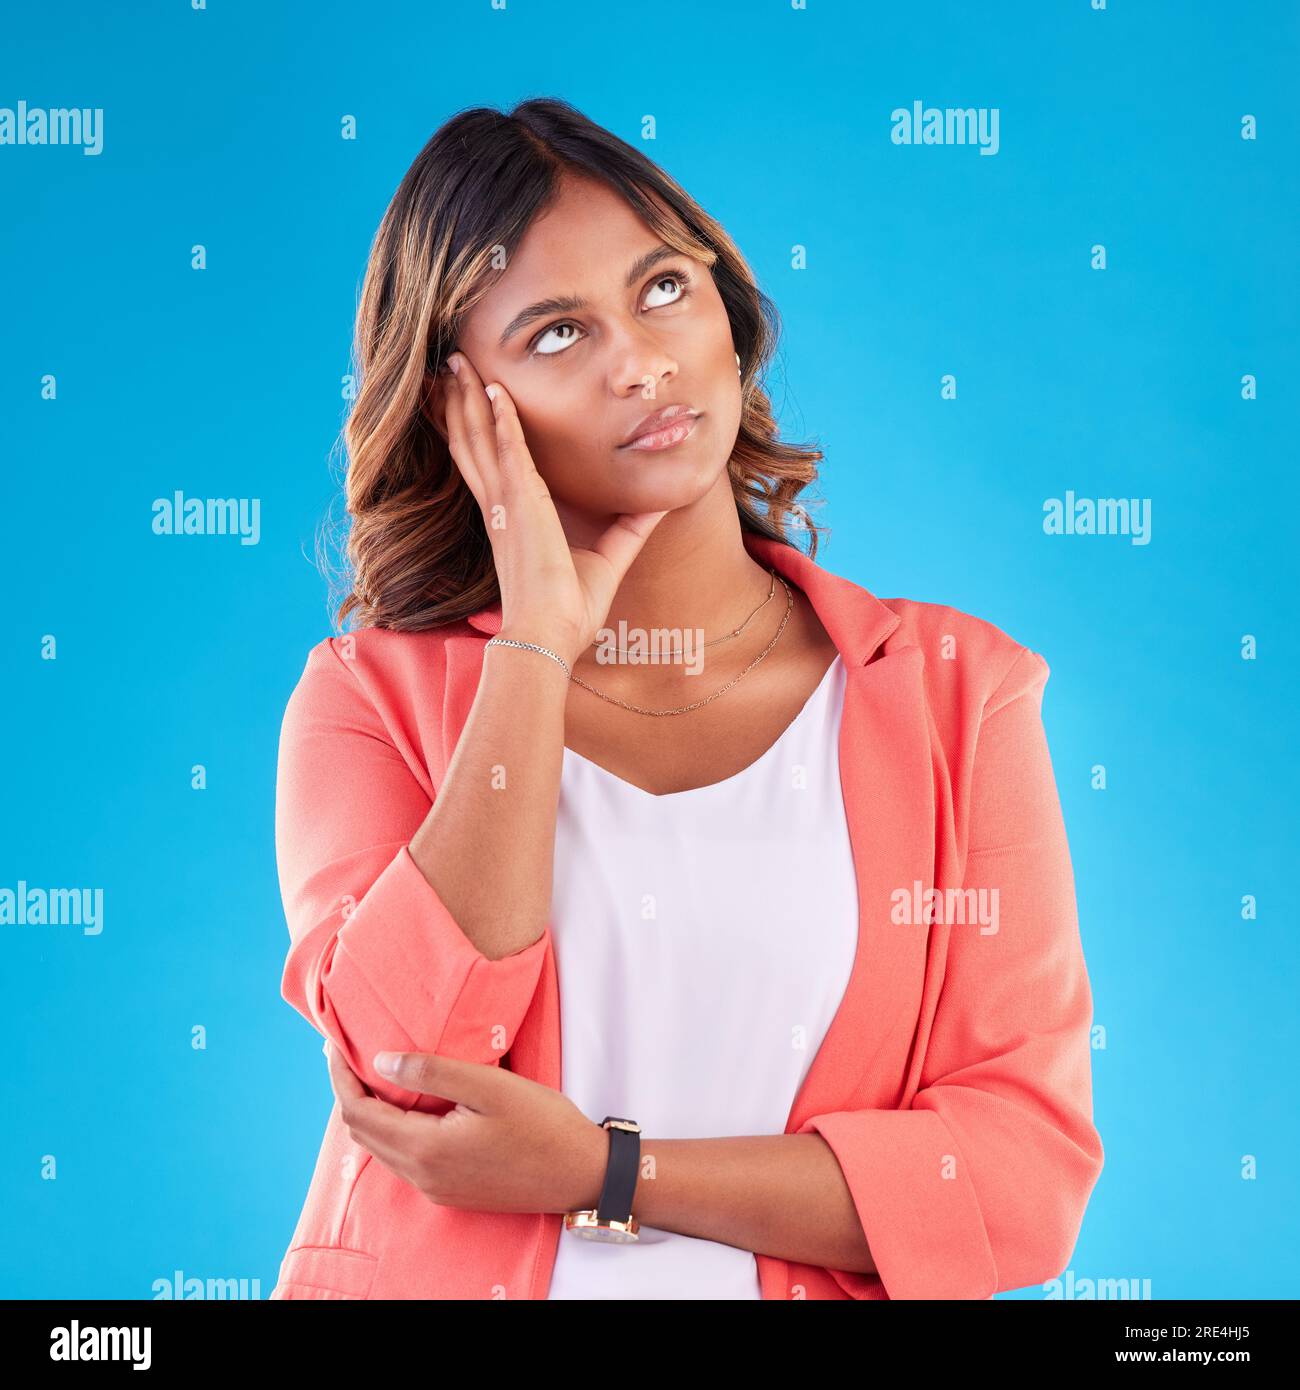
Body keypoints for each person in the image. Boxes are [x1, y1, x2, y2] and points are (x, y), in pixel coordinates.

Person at [269, 97, 1104, 1301]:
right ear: (464, 408)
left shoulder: (955, 696)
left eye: (662, 288)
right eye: (557, 334)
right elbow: (414, 1071)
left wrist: (610, 1171)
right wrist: (539, 646)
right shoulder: (367, 701)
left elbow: (1018, 1184)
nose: (640, 360)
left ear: (727, 308)